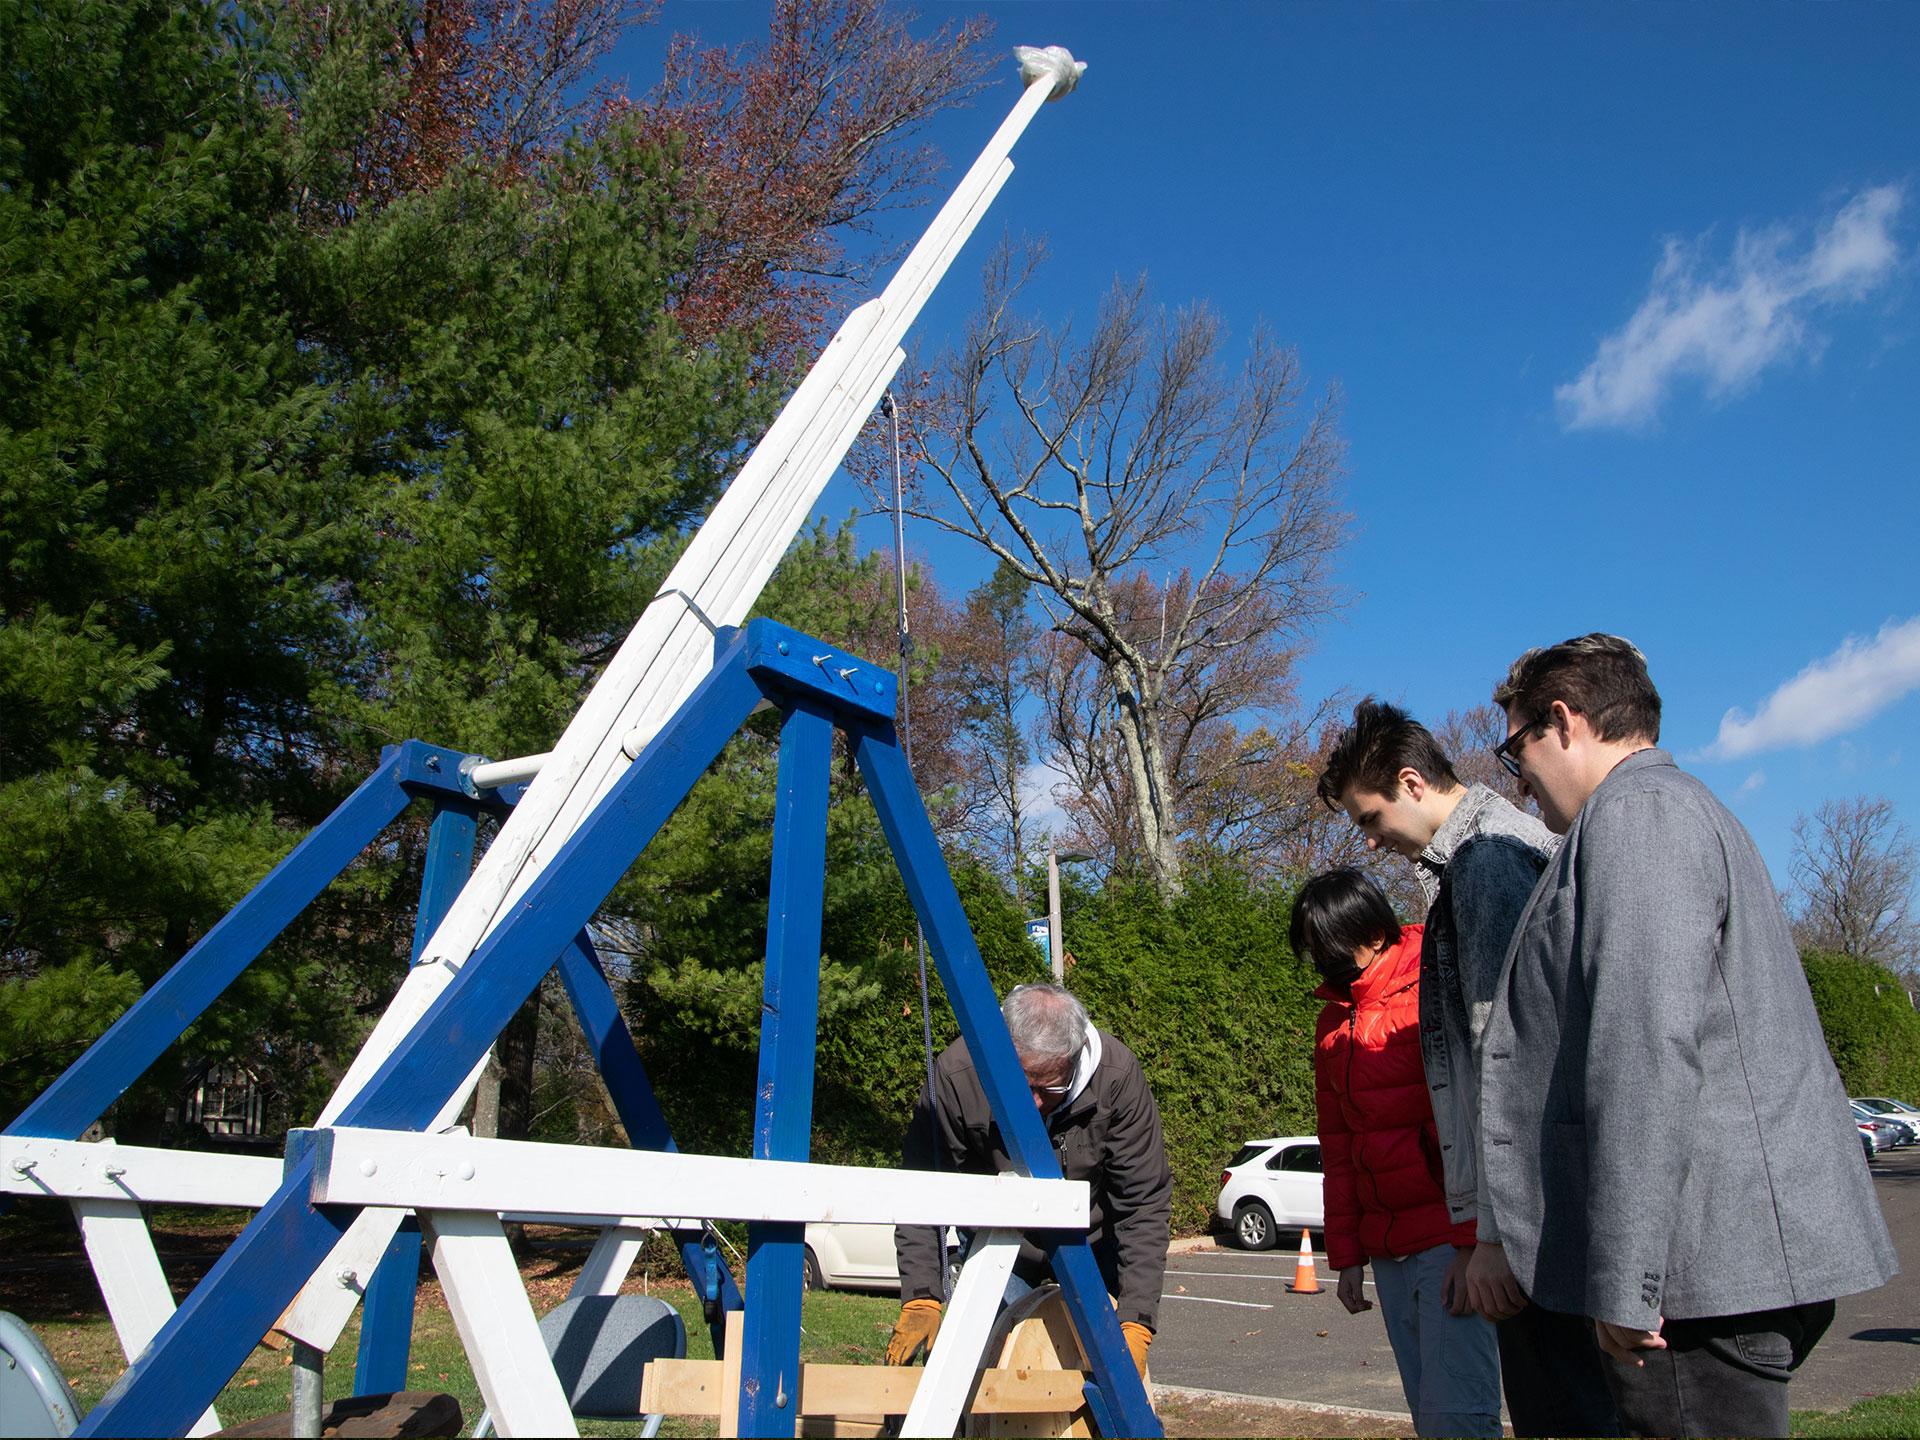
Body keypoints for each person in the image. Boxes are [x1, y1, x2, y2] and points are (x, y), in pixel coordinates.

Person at [1482, 633, 1899, 1437]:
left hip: (1693, 1284)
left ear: (1563, 721)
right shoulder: (1671, 813)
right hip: (1702, 1275)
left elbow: (1644, 1049)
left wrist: (1628, 1279)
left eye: (1515, 750)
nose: (1521, 785)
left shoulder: (1639, 818)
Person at [1318, 700, 1621, 1435]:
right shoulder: (1485, 856)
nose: (1371, 839)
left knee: (1566, 1410)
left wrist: (1489, 1236)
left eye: (1369, 816)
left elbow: (1506, 1060)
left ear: (1413, 783)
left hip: (1533, 1228)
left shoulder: (1485, 862)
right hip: (1541, 1215)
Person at [1291, 868, 1502, 1438]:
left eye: (1328, 947)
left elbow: (1475, 1116)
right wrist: (1348, 1256)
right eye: (1313, 951)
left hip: (1446, 1239)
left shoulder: (1433, 987)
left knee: (1458, 1415)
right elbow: (1338, 1146)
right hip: (1387, 1248)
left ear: (1375, 934)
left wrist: (1471, 1243)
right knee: (1427, 1413)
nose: (1322, 962)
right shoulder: (1332, 1022)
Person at [884, 982, 1171, 1379]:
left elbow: (1144, 1203)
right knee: (981, 1371)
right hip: (1000, 1241)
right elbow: (924, 1185)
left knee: (1106, 1379)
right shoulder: (957, 1075)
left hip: (1089, 1244)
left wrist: (1136, 1319)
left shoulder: (1116, 1078)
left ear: (1075, 1058)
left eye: (1050, 1087)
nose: (1035, 1102)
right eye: (1023, 1084)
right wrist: (922, 1296)